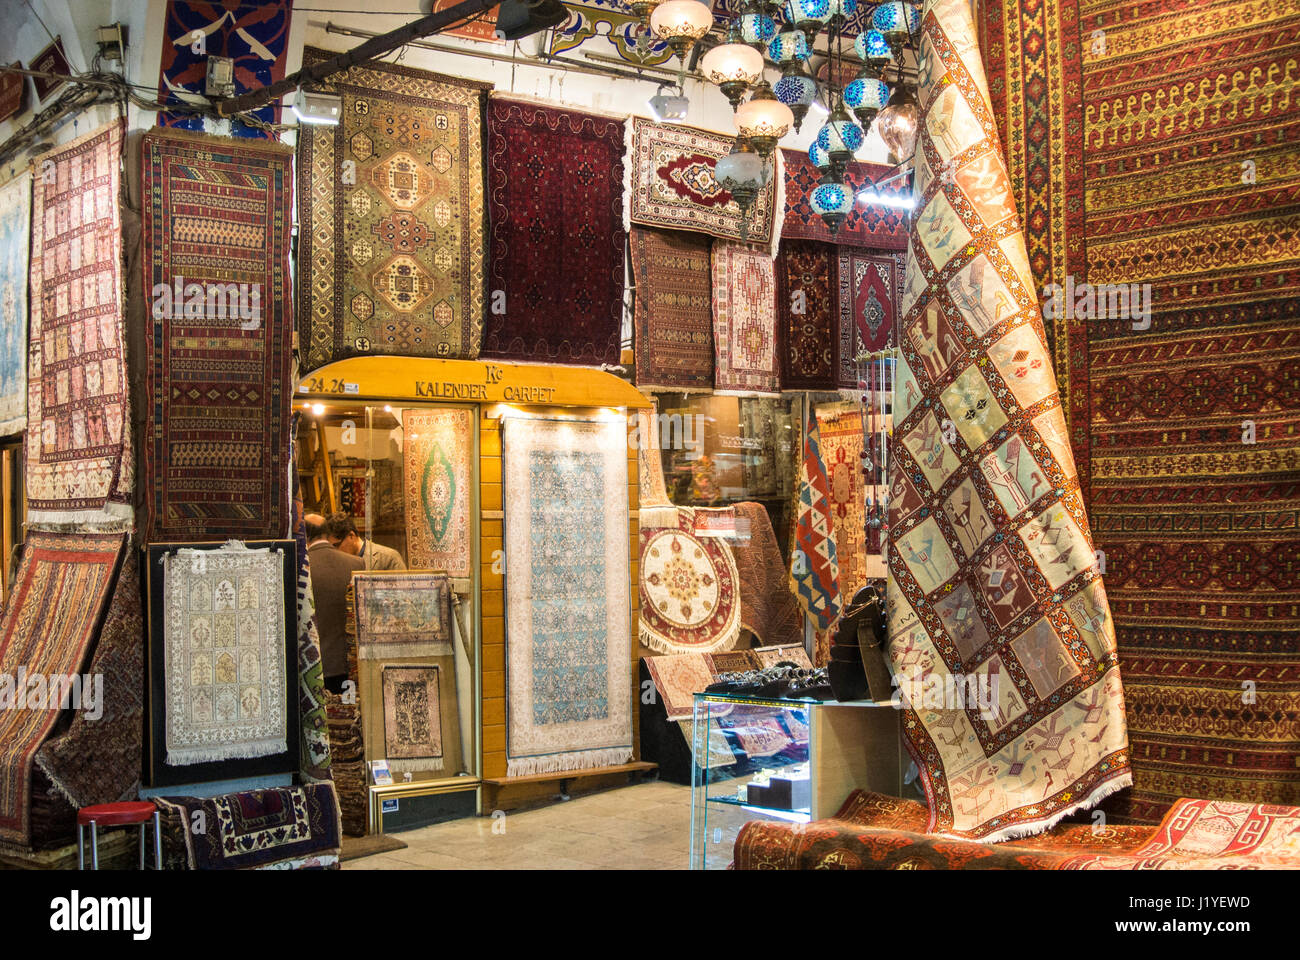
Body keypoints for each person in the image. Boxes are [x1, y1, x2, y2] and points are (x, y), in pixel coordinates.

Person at [306, 512, 363, 694]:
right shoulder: (357, 563)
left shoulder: (301, 567)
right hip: (350, 666)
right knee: (349, 713)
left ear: (304, 535)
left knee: (324, 718)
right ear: (326, 533)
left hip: (314, 665)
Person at [326, 512, 406, 570]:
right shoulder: (336, 564)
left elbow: (404, 591)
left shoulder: (388, 558)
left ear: (351, 536)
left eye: (336, 545)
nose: (334, 551)